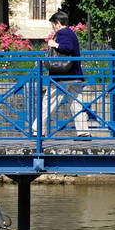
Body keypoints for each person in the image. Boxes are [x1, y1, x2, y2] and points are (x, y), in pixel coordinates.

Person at [43, 10, 90, 138]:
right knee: (76, 104)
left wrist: (54, 44)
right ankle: (83, 131)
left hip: (62, 77)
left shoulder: (62, 33)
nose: (53, 28)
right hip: (75, 76)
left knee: (48, 103)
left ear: (58, 23)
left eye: (53, 25)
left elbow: (67, 47)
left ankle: (37, 130)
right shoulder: (72, 33)